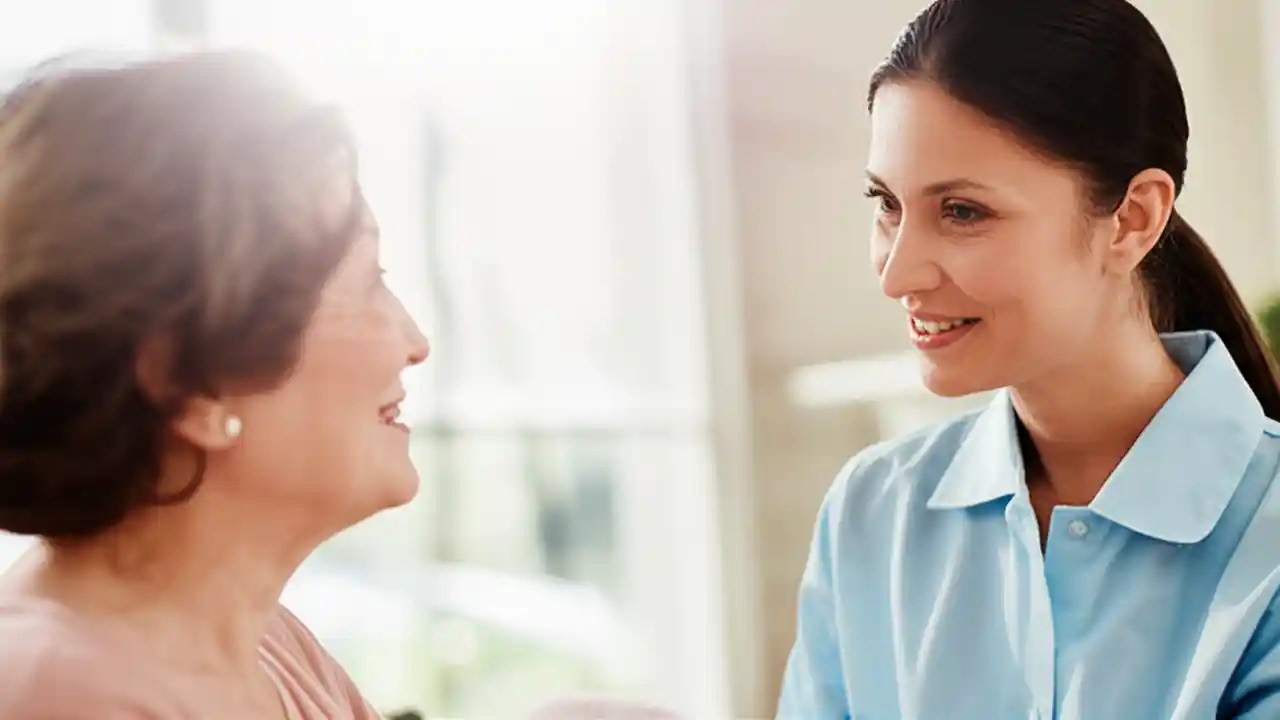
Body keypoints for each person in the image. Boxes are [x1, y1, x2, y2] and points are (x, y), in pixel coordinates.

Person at [778, 1, 1280, 718]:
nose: (898, 274)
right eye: (887, 204)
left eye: (962, 211)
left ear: (1132, 219)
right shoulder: (872, 515)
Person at [0, 52, 429, 719]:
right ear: (187, 379)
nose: (414, 342)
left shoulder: (273, 649)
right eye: (369, 281)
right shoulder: (58, 690)